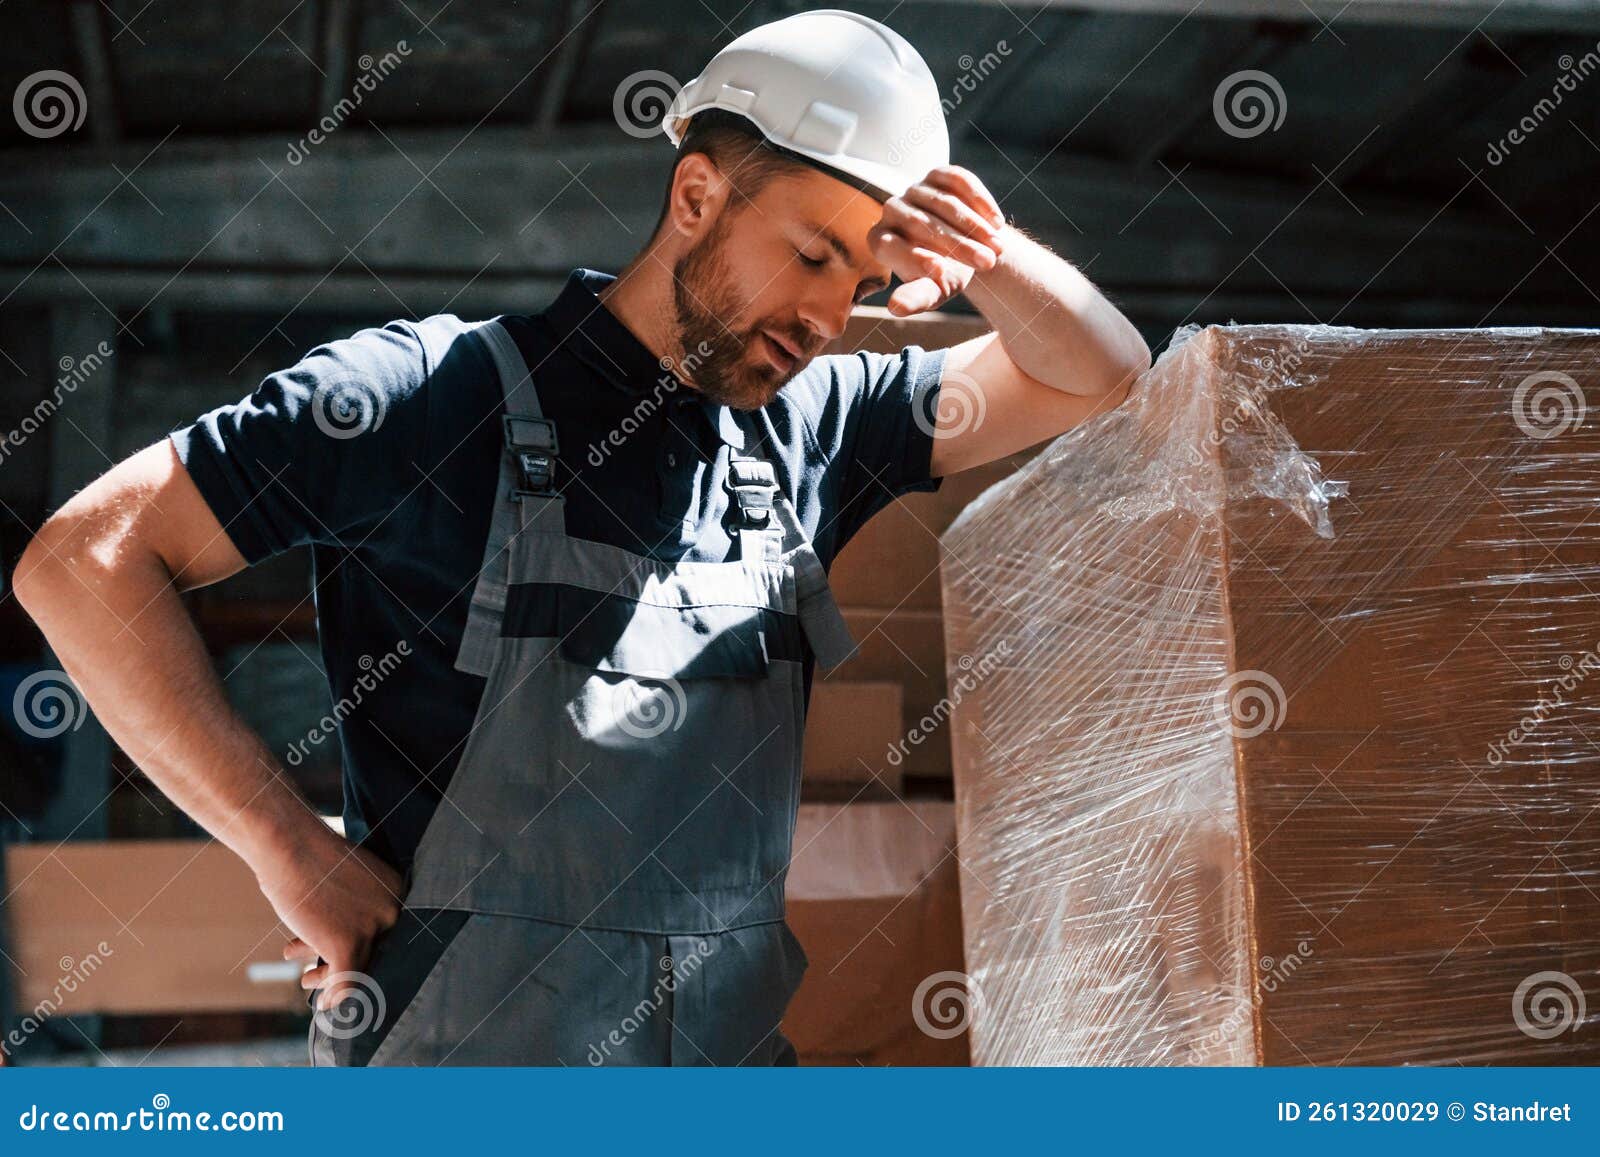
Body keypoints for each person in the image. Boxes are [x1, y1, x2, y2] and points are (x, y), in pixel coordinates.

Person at [15, 9, 1149, 1065]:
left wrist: (992, 258)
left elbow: (1101, 376)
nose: (825, 314)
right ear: (696, 196)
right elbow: (81, 561)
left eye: (864, 275)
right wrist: (288, 846)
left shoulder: (816, 429)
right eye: (812, 255)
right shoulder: (422, 395)